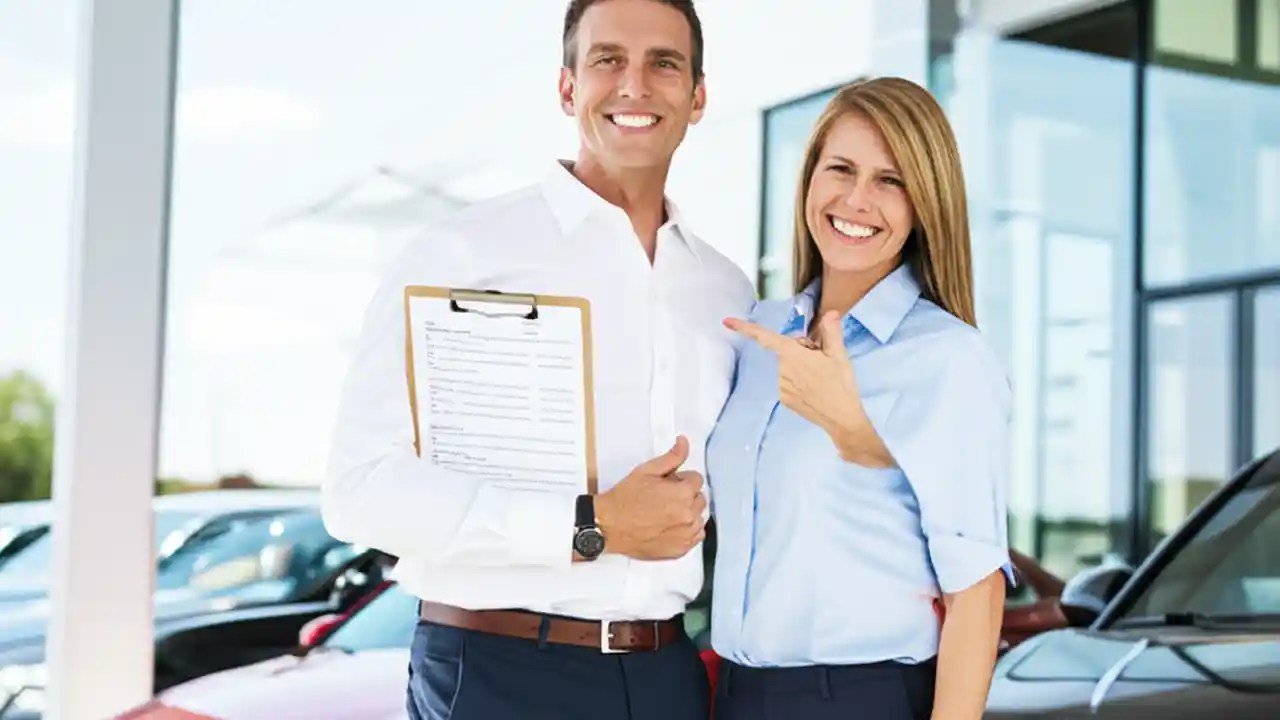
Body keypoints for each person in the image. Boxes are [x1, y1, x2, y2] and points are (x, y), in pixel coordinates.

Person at [321, 0, 754, 718]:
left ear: (698, 96)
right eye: (608, 59)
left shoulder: (726, 291)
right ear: (566, 88)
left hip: (666, 677)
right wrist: (592, 524)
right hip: (497, 672)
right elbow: (359, 489)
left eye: (664, 64)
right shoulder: (460, 255)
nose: (634, 85)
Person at [707, 77, 1014, 720]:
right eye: (840, 168)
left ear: (924, 202)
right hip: (736, 694)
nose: (856, 198)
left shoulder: (946, 359)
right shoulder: (756, 338)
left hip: (859, 699)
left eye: (890, 180)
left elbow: (976, 592)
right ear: (809, 181)